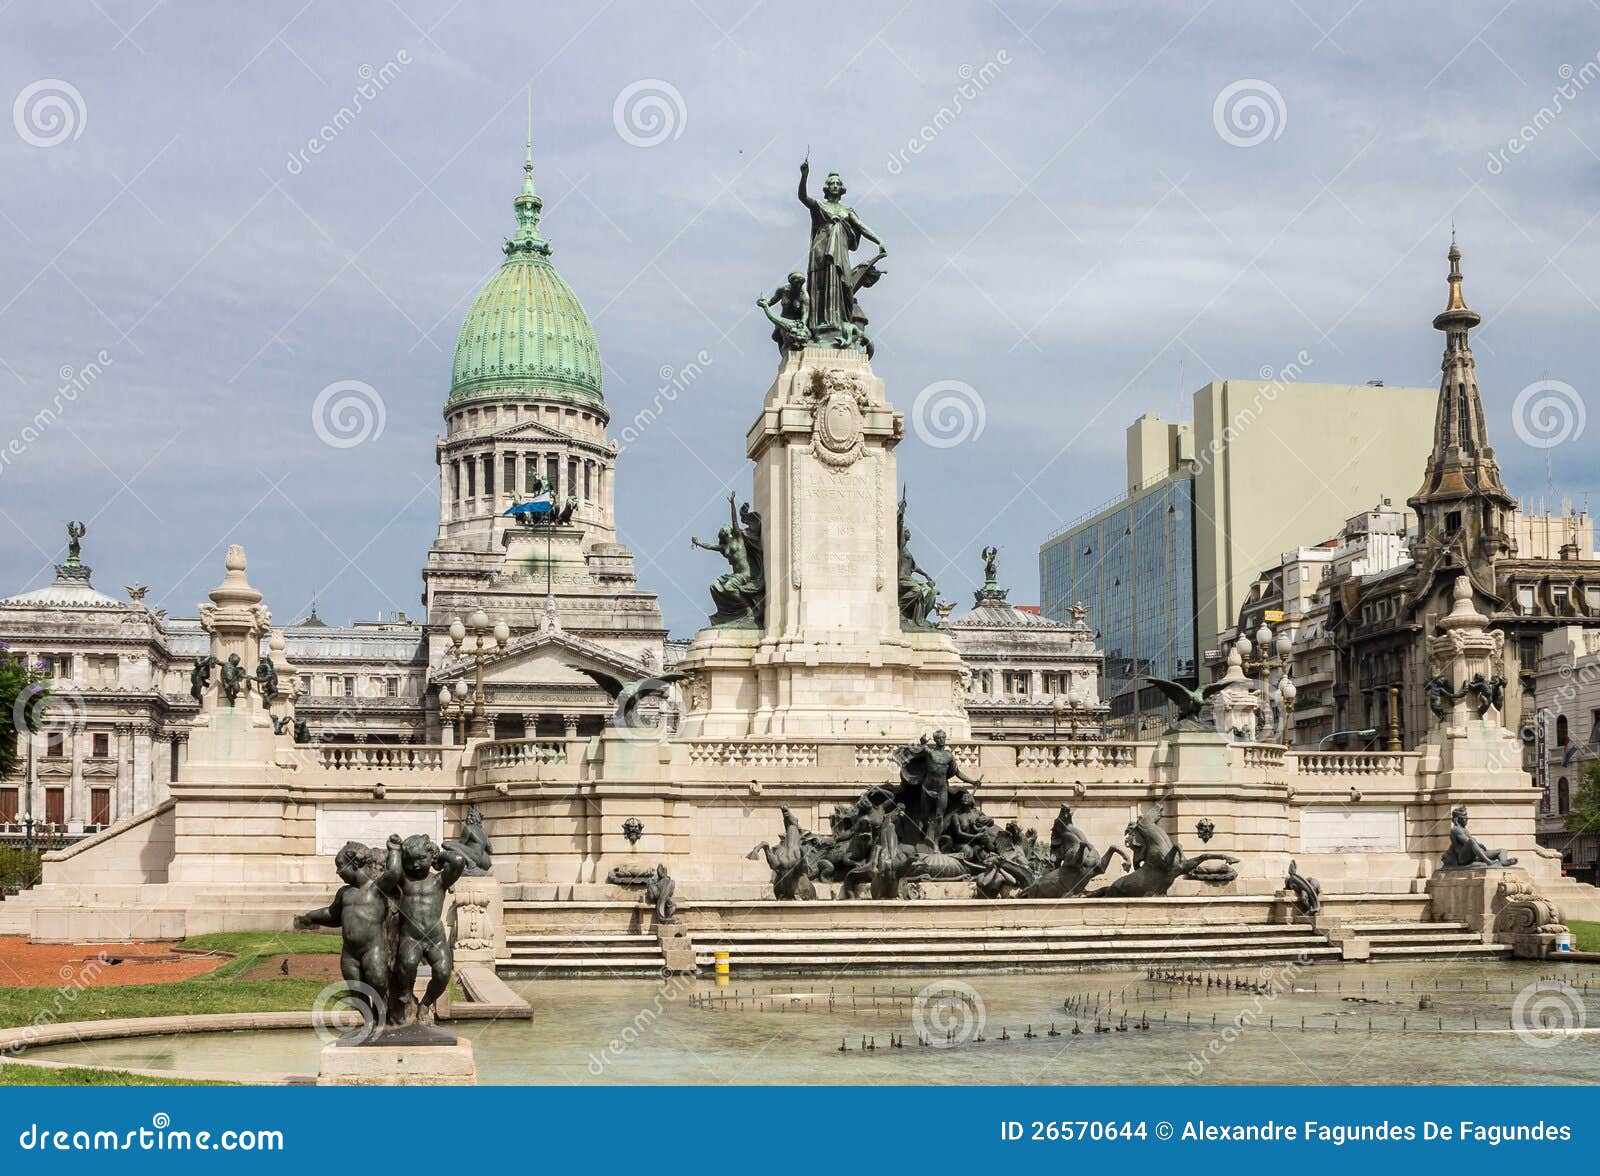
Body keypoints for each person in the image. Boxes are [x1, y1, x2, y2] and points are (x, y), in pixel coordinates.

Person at [295, 842, 400, 1029]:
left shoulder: (376, 888)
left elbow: (393, 873)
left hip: (373, 950)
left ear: (355, 864)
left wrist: (395, 849)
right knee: (355, 990)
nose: (338, 872)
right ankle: (370, 1023)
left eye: (340, 866)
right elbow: (332, 915)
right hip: (350, 953)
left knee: (378, 983)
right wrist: (311, 917)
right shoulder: (344, 893)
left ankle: (383, 1020)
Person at [386, 833, 467, 1026]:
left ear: (431, 856)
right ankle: (407, 997)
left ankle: (426, 1004)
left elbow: (458, 860)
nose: (416, 865)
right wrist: (395, 850)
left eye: (421, 858)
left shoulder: (440, 880)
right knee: (407, 965)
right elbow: (394, 870)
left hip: (435, 938)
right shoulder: (405, 880)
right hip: (410, 937)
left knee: (443, 973)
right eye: (410, 861)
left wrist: (439, 855)